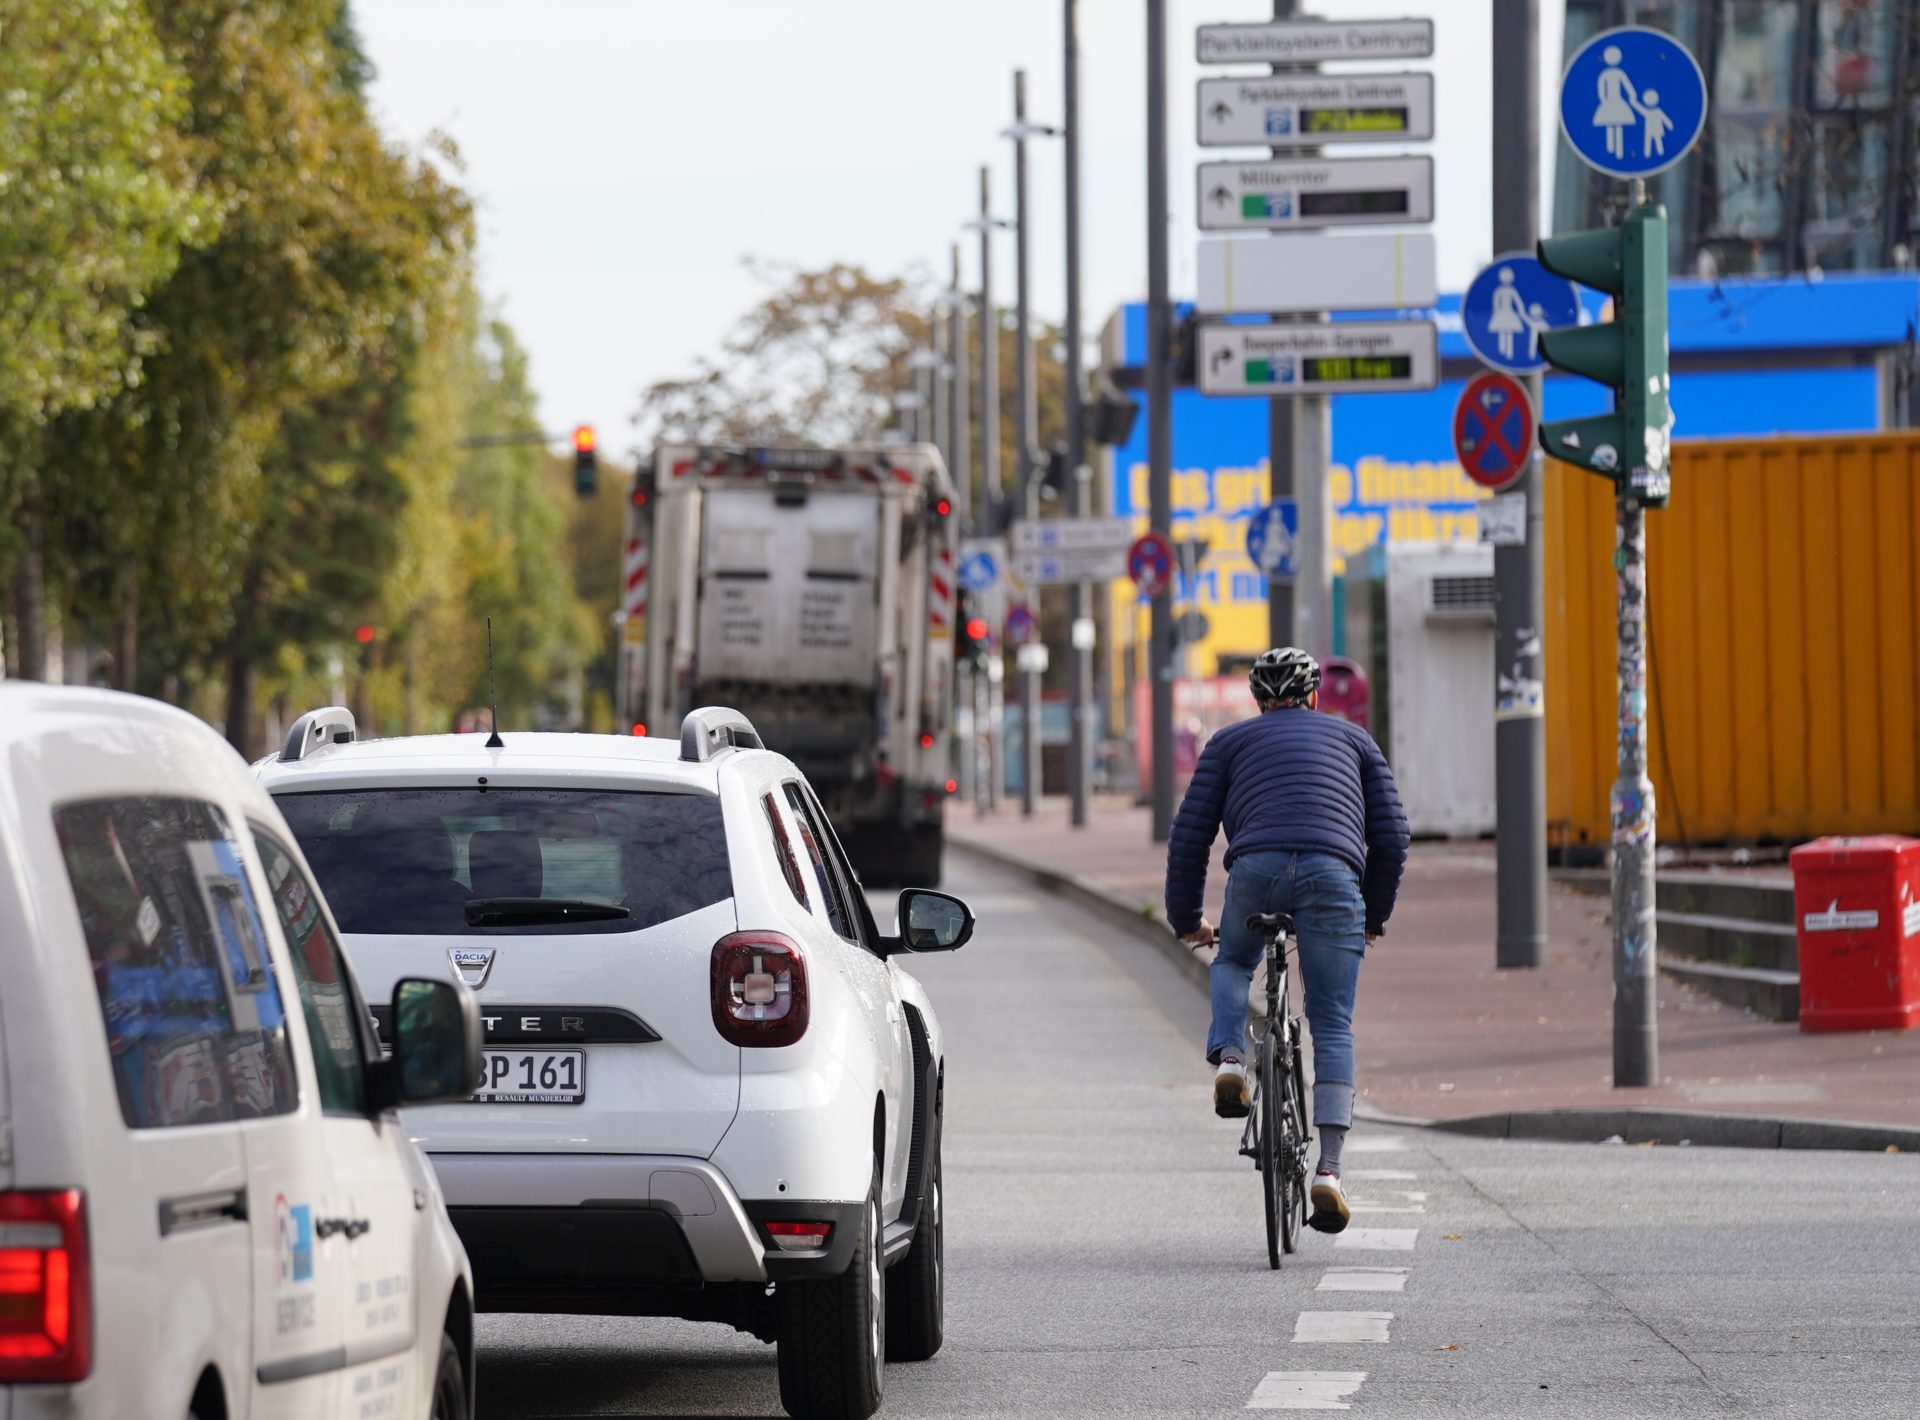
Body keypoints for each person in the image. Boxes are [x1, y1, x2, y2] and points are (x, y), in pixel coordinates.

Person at [1164, 647, 1409, 1234]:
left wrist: (1185, 919)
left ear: (1258, 700)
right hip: (1333, 877)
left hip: (1257, 873)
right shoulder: (1356, 742)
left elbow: (1189, 838)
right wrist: (1372, 915)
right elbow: (1393, 835)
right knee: (1330, 1022)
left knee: (1232, 961)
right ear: (1315, 696)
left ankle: (1229, 1058)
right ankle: (1327, 1170)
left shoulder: (1227, 743)